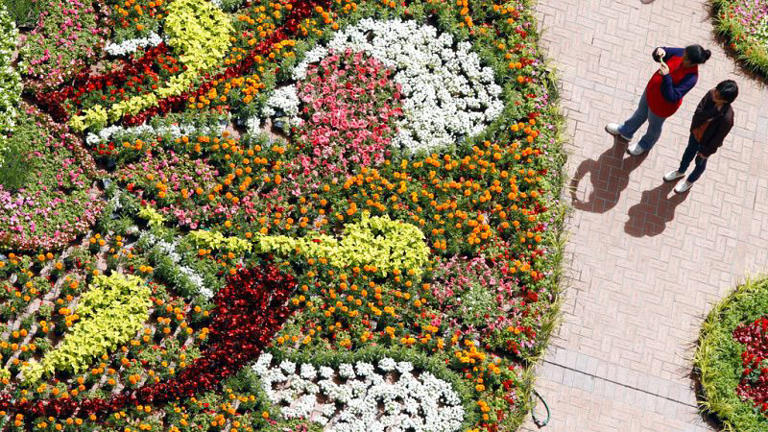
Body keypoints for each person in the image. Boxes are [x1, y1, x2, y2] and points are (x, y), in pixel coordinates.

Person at [605, 45, 712, 155]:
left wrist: (667, 76)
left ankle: (644, 144)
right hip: (650, 92)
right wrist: (659, 51)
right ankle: (626, 131)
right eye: (684, 53)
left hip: (662, 106)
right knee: (640, 113)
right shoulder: (683, 52)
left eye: (685, 58)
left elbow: (673, 96)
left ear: (693, 63)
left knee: (654, 127)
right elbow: (665, 51)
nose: (682, 56)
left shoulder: (691, 78)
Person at [663, 80, 738, 193]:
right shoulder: (711, 94)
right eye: (717, 90)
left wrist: (706, 152)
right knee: (688, 154)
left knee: (699, 164)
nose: (715, 94)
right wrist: (712, 112)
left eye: (718, 95)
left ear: (726, 100)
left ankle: (689, 182)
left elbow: (718, 139)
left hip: (705, 145)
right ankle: (680, 171)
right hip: (695, 134)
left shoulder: (727, 118)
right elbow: (698, 113)